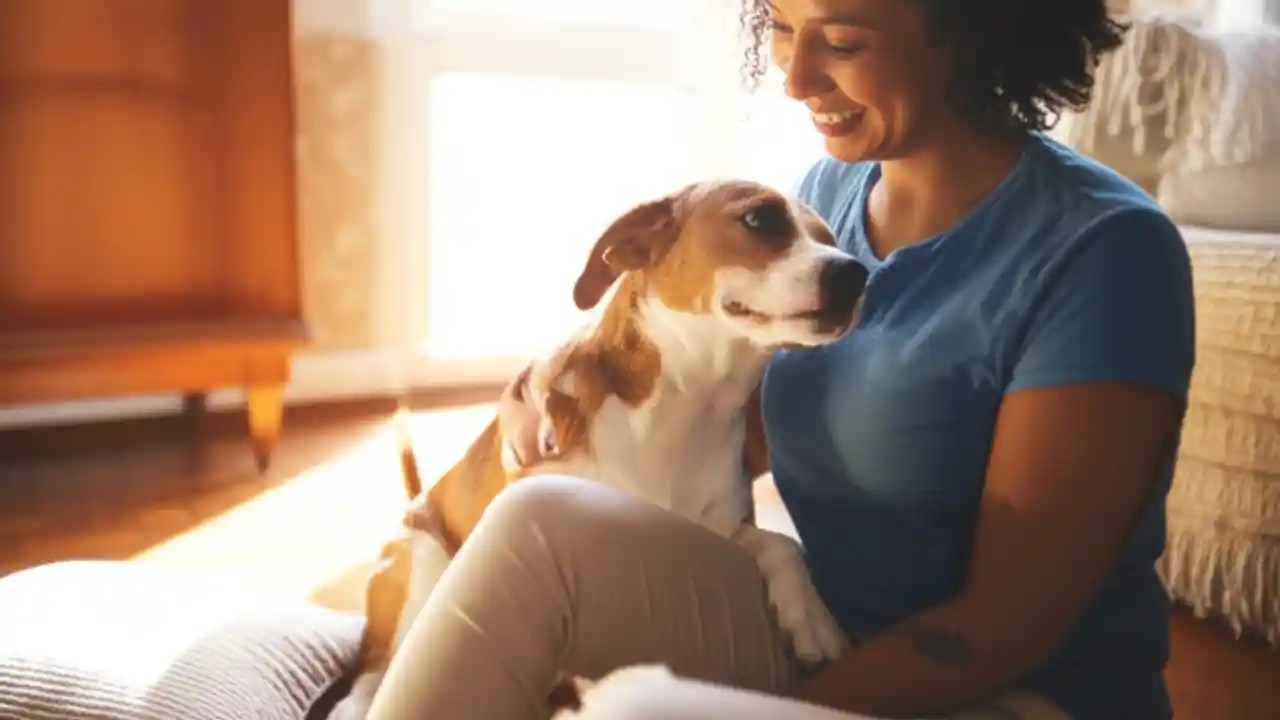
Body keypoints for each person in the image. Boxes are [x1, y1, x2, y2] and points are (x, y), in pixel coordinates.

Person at [364, 1, 1196, 719]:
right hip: (825, 634)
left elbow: (1006, 627)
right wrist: (556, 396)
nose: (795, 78)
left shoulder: (1104, 253)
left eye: (840, 40)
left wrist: (770, 707)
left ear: (970, 28)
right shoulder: (827, 201)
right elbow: (728, 423)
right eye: (785, 28)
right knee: (535, 522)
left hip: (1007, 693)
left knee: (627, 710)